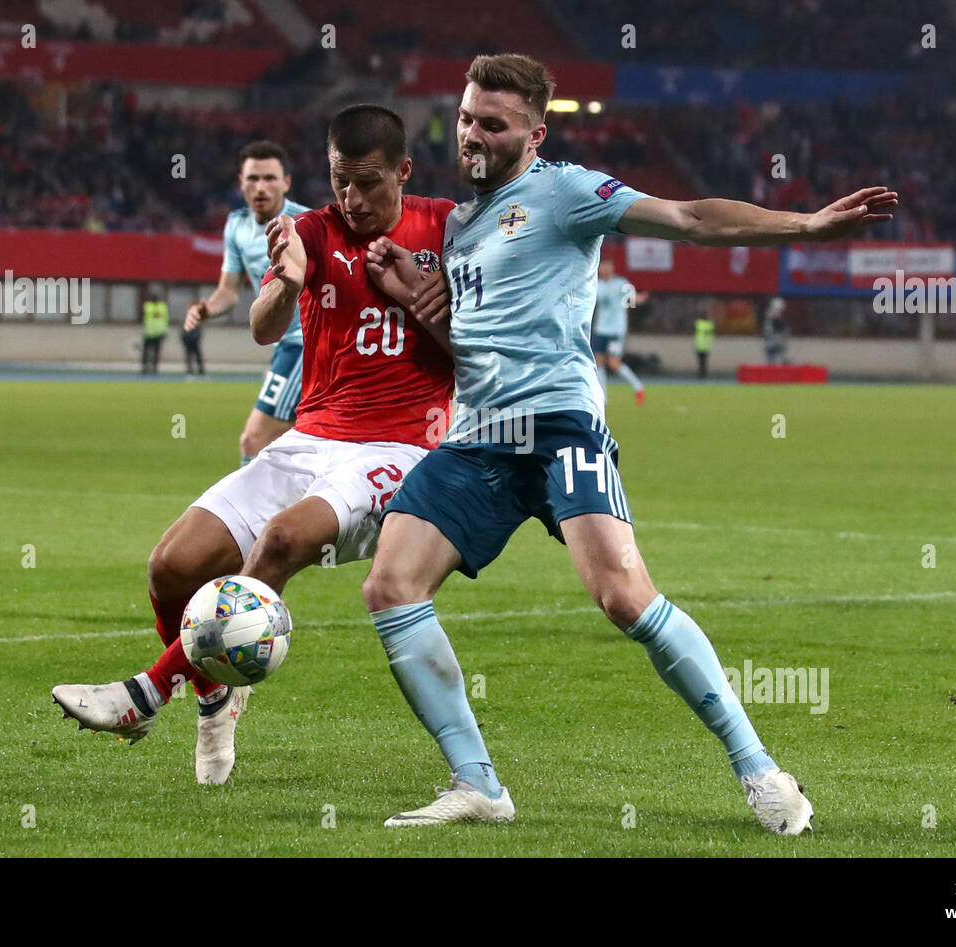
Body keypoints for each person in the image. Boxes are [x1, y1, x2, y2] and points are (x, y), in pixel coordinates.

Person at [359, 53, 896, 833]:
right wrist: (416, 299)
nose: (471, 134)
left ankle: (760, 768)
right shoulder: (460, 225)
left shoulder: (568, 192)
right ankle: (477, 783)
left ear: (534, 134)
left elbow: (691, 219)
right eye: (468, 117)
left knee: (622, 596)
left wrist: (806, 224)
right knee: (390, 585)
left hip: (558, 424)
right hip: (478, 435)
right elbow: (469, 346)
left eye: (492, 124)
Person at [52, 105, 456, 785]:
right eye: (338, 182)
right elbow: (265, 328)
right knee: (169, 567)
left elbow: (475, 348)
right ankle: (214, 695)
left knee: (280, 541)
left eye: (367, 184)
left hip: (400, 446)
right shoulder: (308, 231)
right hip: (311, 437)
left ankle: (145, 694)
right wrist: (290, 283)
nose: (351, 200)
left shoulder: (446, 227)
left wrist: (419, 297)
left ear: (404, 172)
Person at [185, 141, 310, 465]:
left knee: (255, 438)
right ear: (240, 182)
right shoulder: (237, 225)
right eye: (253, 178)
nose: (261, 187)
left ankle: (248, 516)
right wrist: (207, 309)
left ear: (286, 183)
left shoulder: (307, 225)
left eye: (270, 178)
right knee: (300, 441)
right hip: (283, 344)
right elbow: (229, 289)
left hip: (307, 345)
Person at [591, 257, 648, 404]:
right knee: (598, 363)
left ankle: (638, 388)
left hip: (616, 331)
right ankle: (603, 397)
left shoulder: (621, 283)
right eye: (602, 266)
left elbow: (631, 298)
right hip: (601, 330)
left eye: (607, 266)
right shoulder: (597, 284)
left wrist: (639, 299)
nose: (604, 269)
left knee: (614, 364)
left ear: (612, 268)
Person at [140, 284, 169, 374]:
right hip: (149, 332)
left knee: (156, 351)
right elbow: (144, 317)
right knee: (146, 351)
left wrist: (165, 331)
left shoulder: (162, 306)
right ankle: (145, 367)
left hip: (158, 332)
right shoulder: (148, 306)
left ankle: (154, 367)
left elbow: (165, 319)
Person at [763, 296, 789, 365]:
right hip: (771, 344)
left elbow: (783, 331)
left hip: (778, 344)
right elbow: (768, 332)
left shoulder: (778, 320)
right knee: (770, 362)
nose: (777, 313)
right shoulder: (769, 320)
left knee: (778, 362)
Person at [694, 310, 714, 378]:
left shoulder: (698, 323)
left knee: (701, 362)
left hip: (700, 345)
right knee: (704, 362)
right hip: (706, 346)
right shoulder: (710, 324)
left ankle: (701, 374)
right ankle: (703, 374)